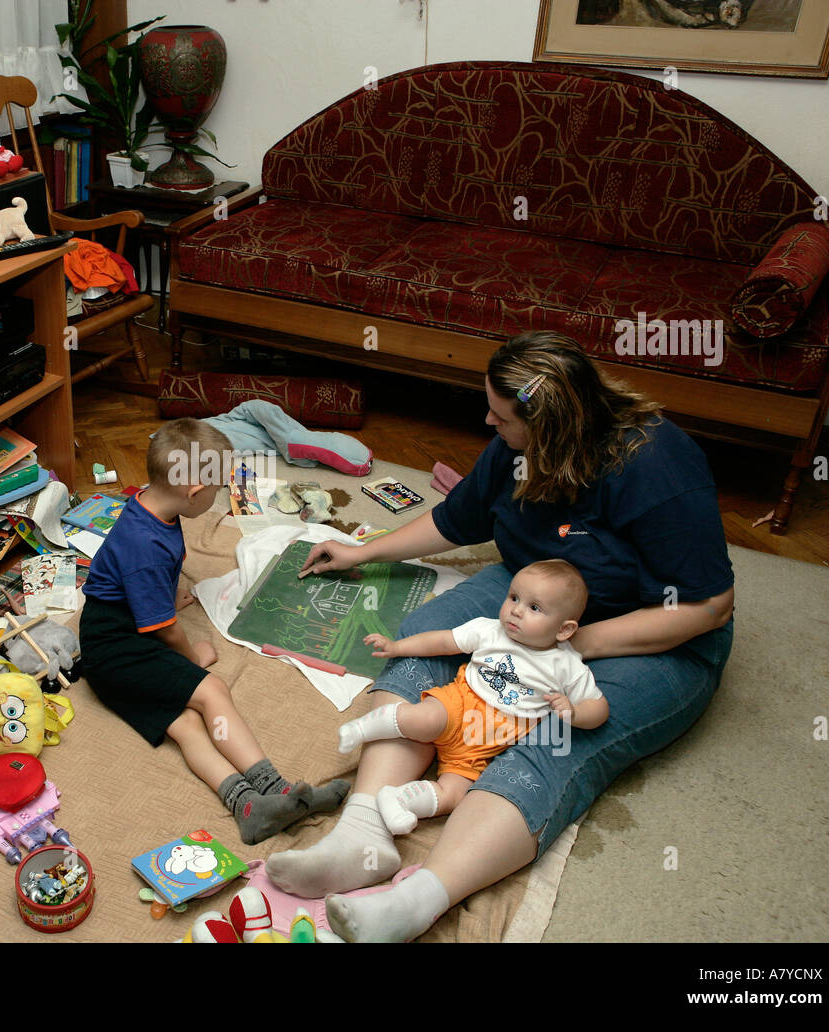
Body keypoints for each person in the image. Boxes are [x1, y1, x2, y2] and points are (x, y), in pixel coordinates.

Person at [267, 331, 735, 941]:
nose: (488, 420)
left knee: (559, 737)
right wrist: (363, 550)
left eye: (502, 415)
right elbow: (456, 518)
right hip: (538, 593)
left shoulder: (659, 466)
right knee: (428, 636)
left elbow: (709, 606)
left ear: (555, 426)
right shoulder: (513, 448)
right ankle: (360, 837)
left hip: (654, 634)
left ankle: (416, 903)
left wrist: (572, 649)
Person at [79, 418, 348, 844]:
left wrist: (164, 595)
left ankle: (249, 807)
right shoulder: (145, 546)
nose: (221, 495)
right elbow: (165, 630)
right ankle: (278, 789)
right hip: (117, 646)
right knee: (211, 691)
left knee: (185, 724)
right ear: (194, 492)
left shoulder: (150, 509)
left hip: (109, 644)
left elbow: (141, 578)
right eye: (219, 488)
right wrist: (193, 659)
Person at [340, 559, 607, 835]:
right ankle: (362, 728)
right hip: (459, 704)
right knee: (425, 719)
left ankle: (398, 800)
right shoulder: (490, 630)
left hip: (481, 746)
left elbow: (599, 709)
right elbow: (443, 642)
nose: (515, 610)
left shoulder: (567, 665)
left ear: (564, 629)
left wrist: (574, 713)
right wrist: (397, 647)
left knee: (455, 795)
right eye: (514, 597)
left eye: (534, 608)